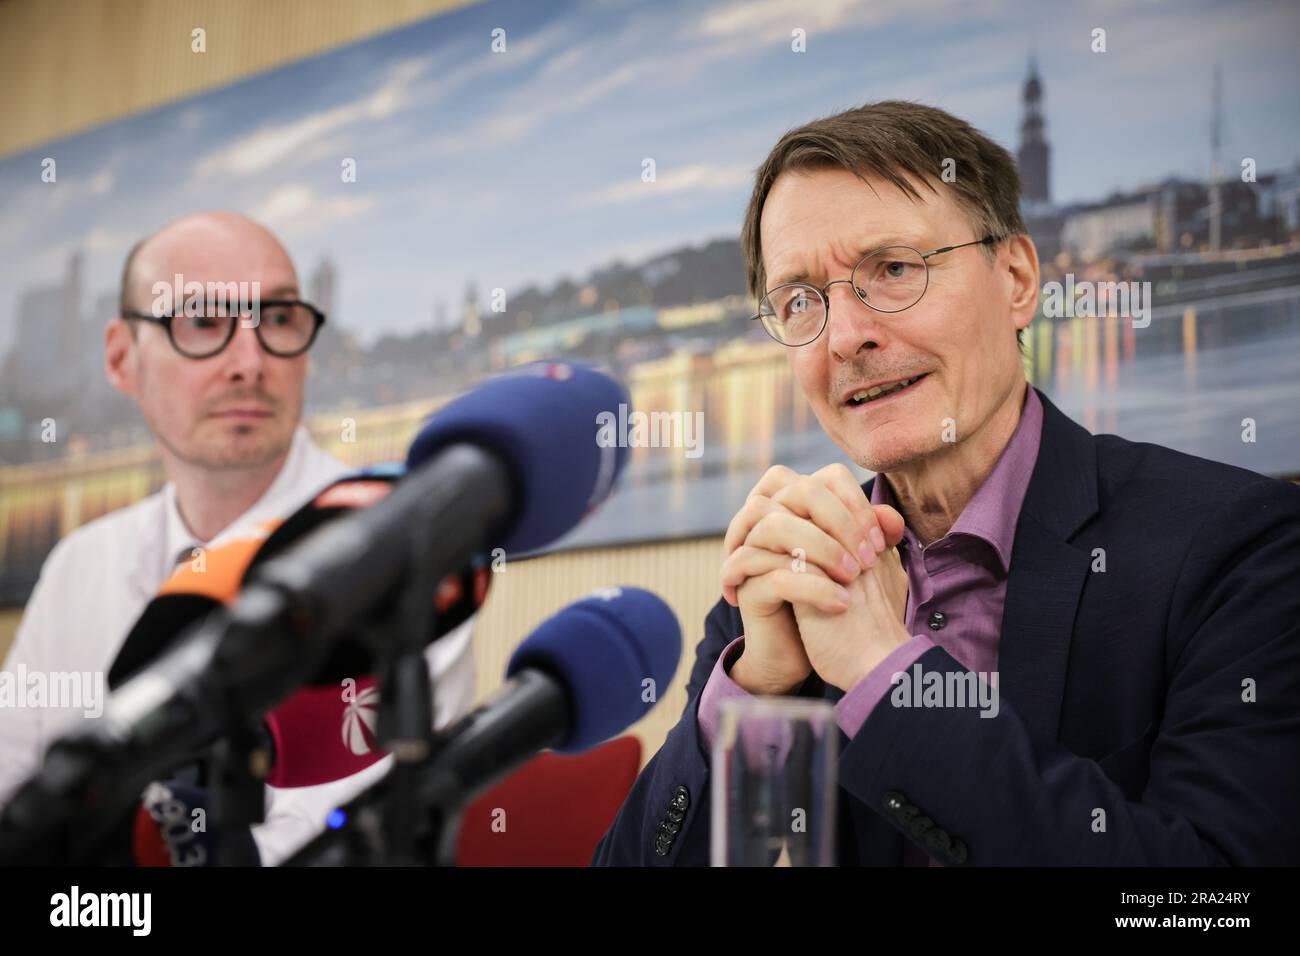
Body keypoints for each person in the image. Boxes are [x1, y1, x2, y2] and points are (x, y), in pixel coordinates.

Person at [593, 101, 1300, 866]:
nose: (845, 338)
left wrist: (881, 674)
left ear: (1018, 279)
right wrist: (756, 693)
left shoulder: (1241, 548)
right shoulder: (786, 584)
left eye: (893, 269)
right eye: (801, 299)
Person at [0, 211, 475, 864]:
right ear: (121, 358)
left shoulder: (402, 559)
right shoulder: (80, 566)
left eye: (278, 321)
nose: (249, 362)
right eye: (202, 322)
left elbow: (330, 846)